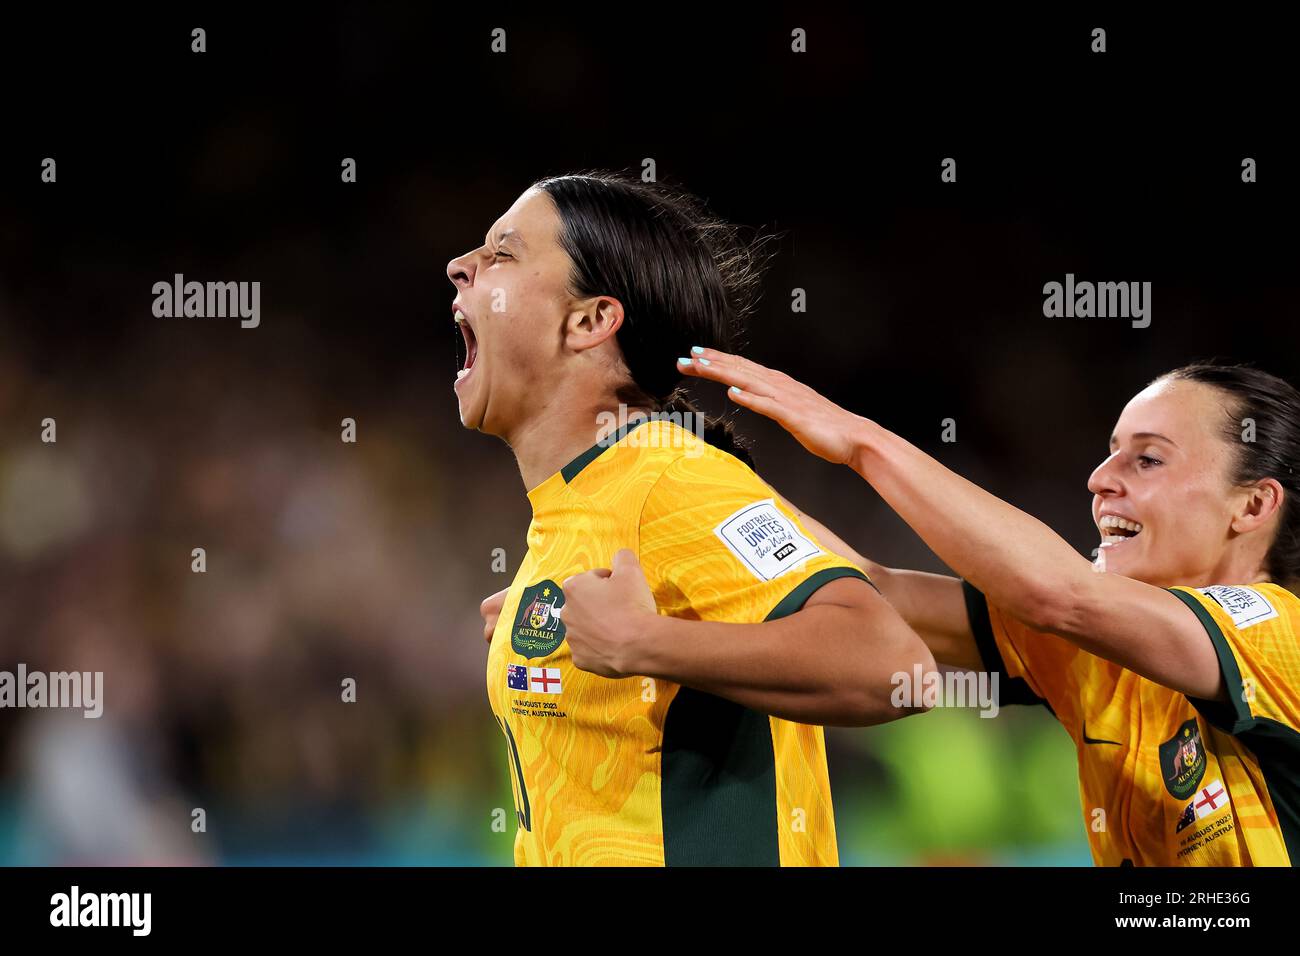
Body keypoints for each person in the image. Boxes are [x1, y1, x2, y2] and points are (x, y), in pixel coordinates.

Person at [626, 350, 1299, 866]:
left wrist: (862, 442)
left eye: (1147, 460)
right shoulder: (1101, 656)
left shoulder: (1282, 634)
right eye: (1110, 451)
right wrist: (706, 483)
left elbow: (1058, 592)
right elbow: (868, 591)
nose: (1100, 479)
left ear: (1254, 505)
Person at [449, 171, 935, 866]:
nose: (460, 265)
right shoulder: (583, 503)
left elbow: (891, 662)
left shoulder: (671, 475)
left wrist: (643, 643)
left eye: (502, 254)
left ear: (589, 321)